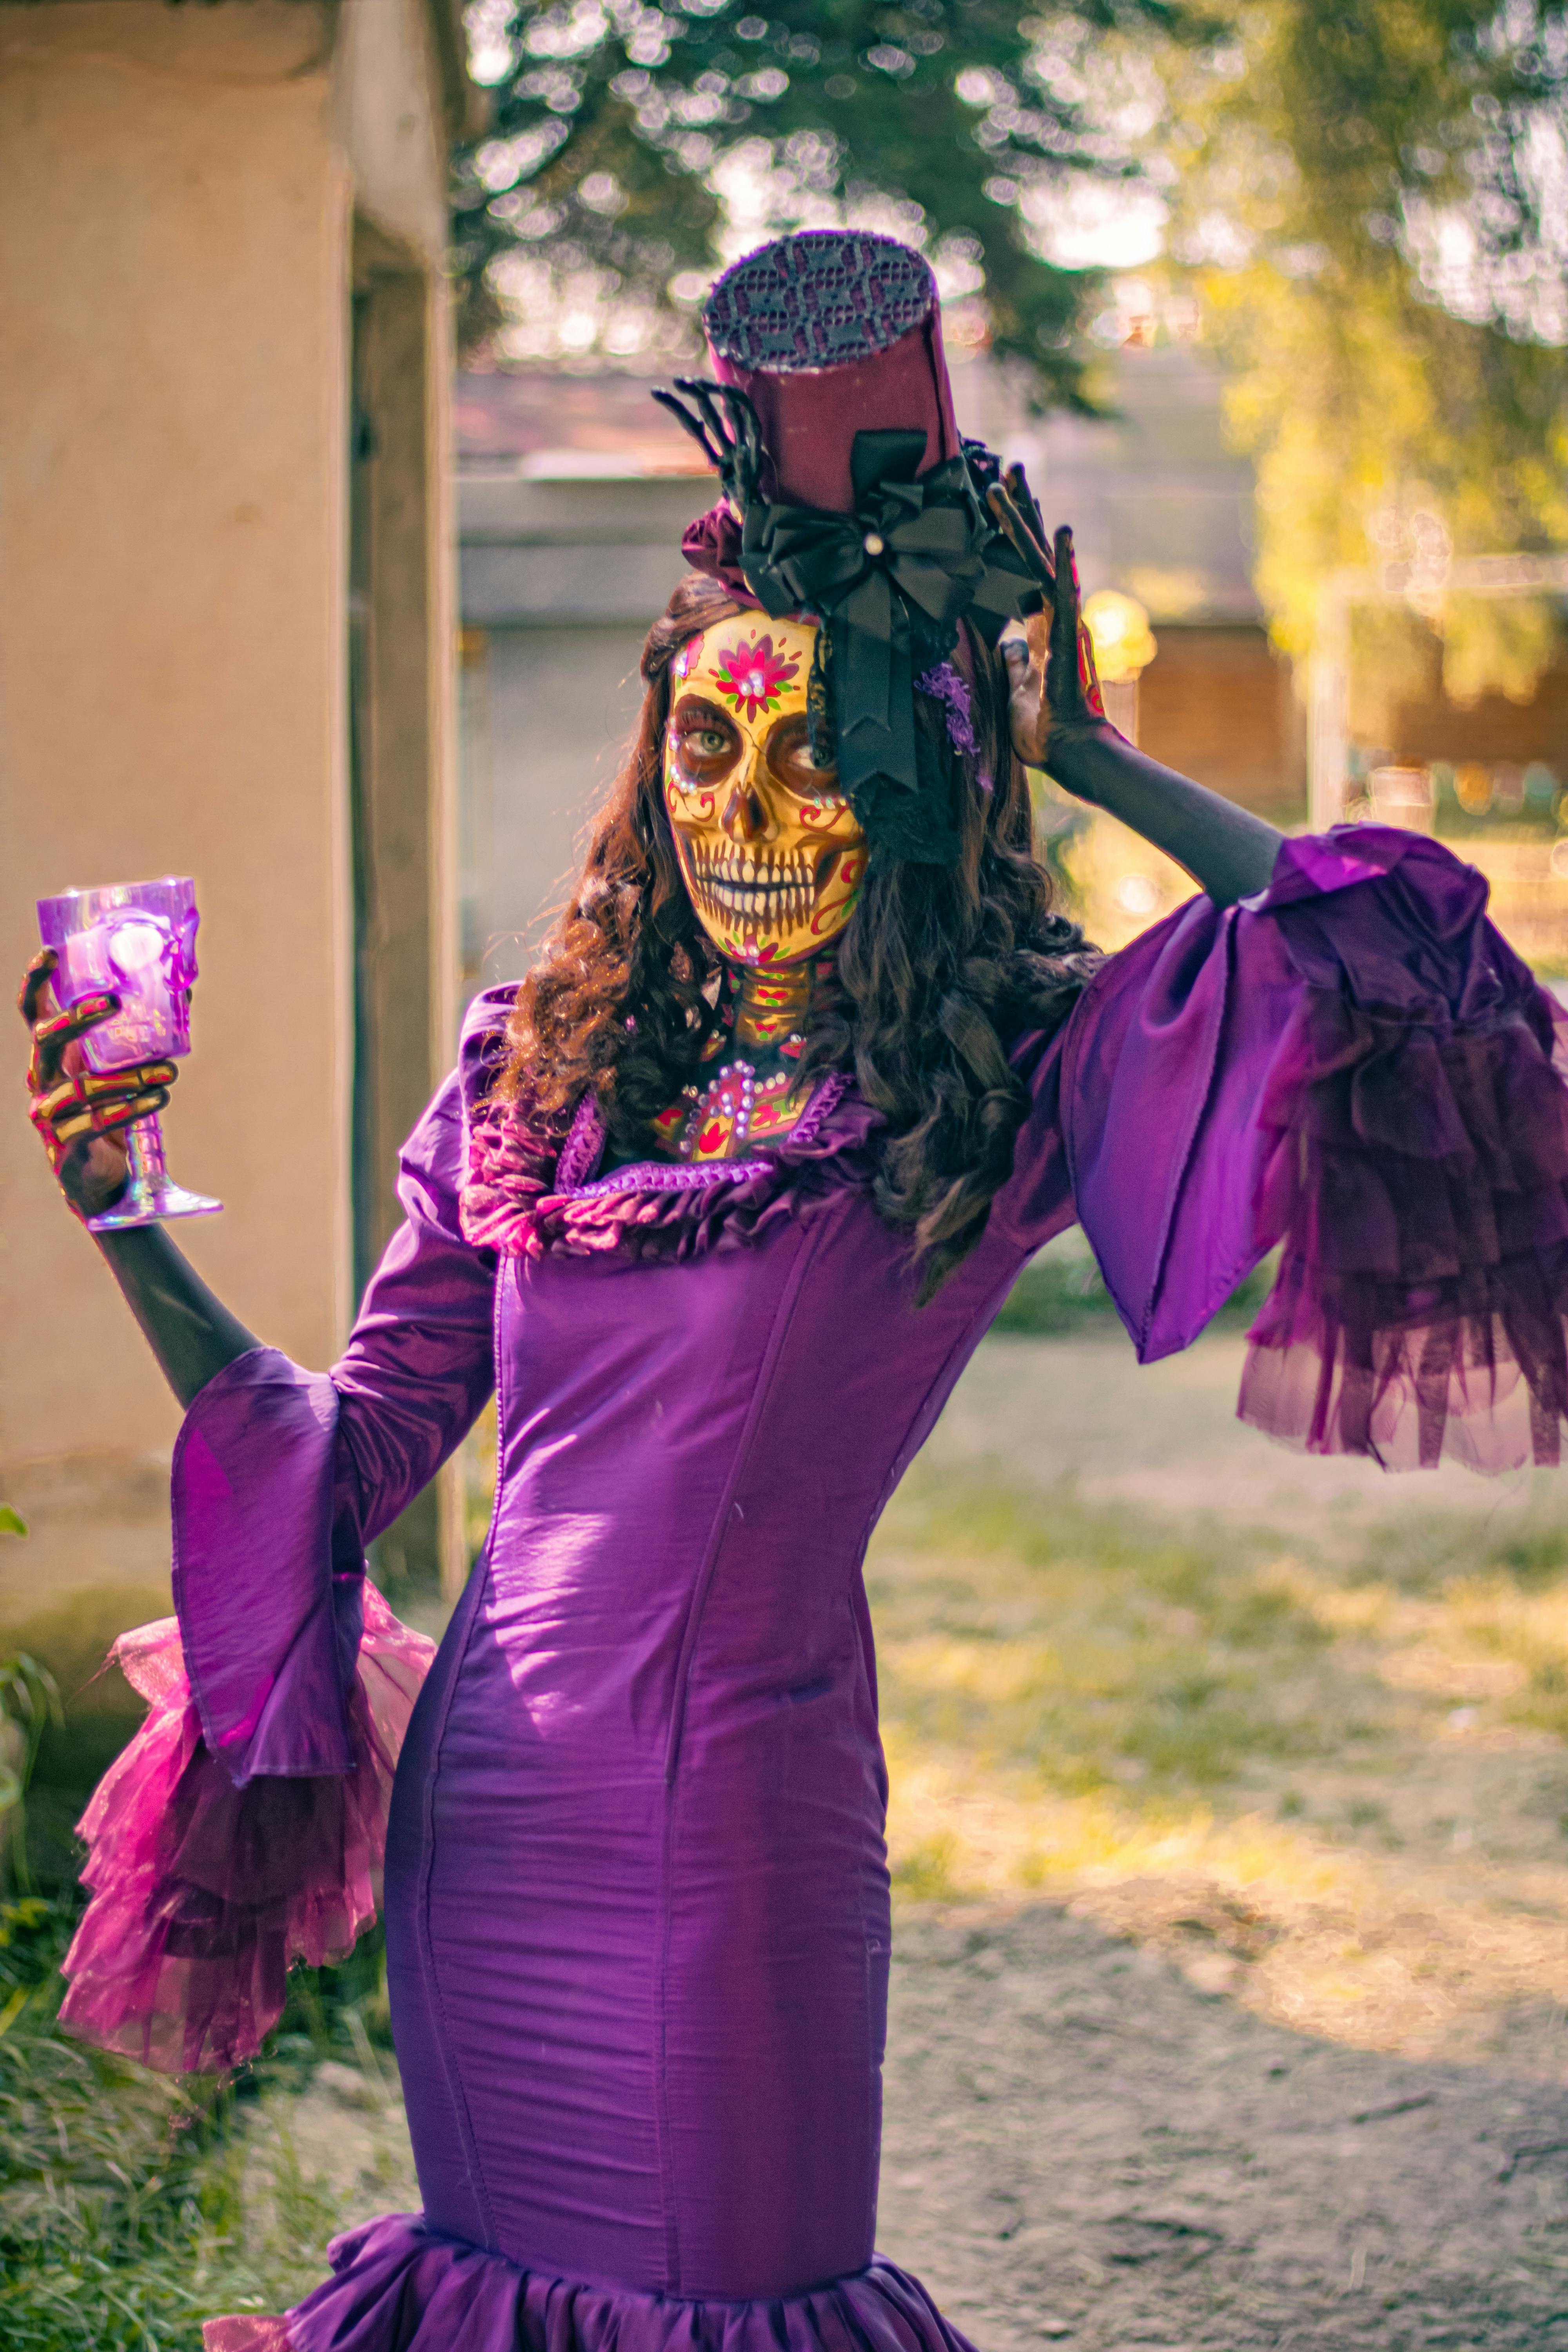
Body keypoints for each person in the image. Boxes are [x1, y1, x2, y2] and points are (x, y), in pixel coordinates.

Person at [20, 230, 1568, 2352]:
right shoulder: (535, 1070)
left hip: (741, 1837)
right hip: (490, 1822)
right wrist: (121, 1206)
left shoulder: (1001, 1077)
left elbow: (1399, 961)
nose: (743, 811)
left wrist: (1086, 757)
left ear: (917, 795)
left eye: (816, 758)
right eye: (704, 750)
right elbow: (352, 1448)